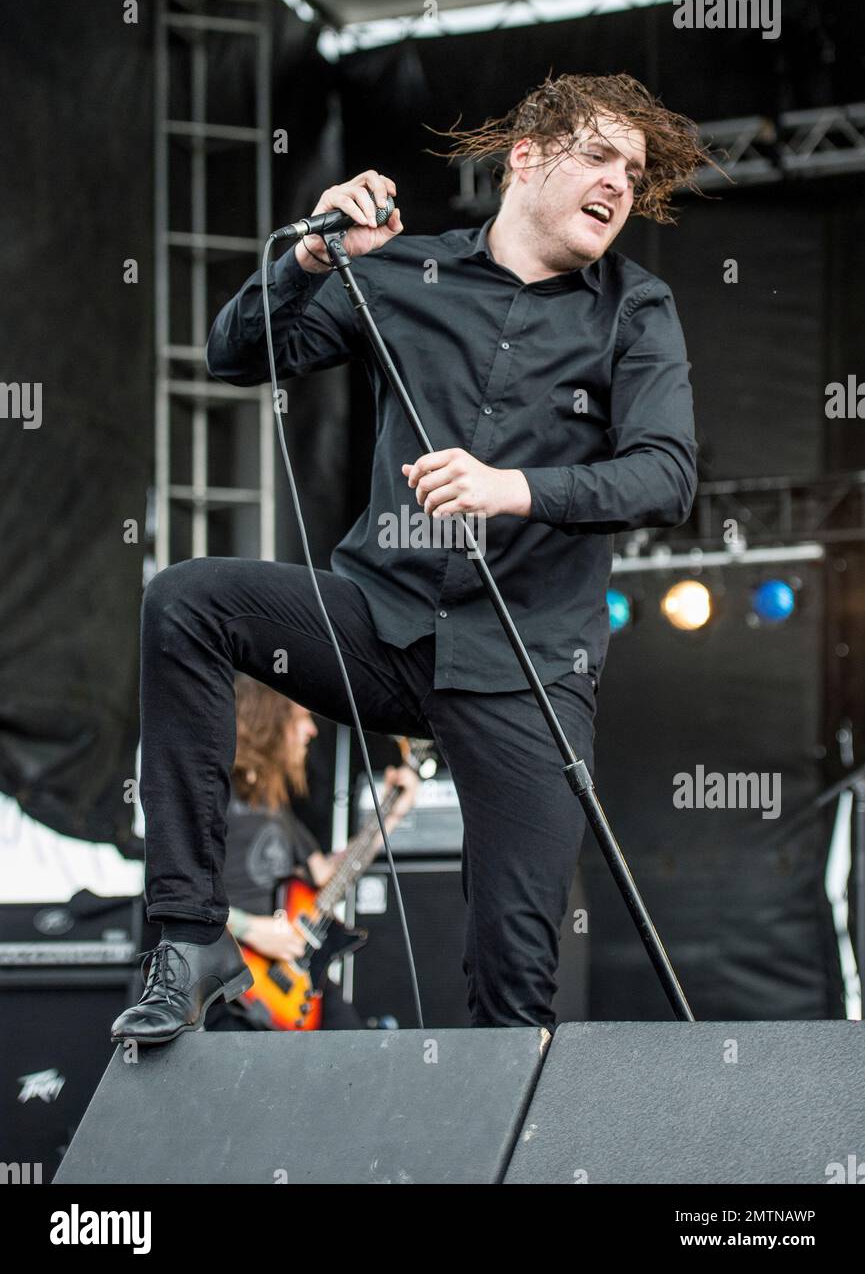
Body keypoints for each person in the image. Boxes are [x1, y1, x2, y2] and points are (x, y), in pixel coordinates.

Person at [112, 71, 707, 1044]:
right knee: (185, 600)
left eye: (633, 173)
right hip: (379, 624)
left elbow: (665, 477)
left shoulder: (634, 308)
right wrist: (308, 254)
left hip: (526, 674)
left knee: (514, 977)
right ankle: (187, 934)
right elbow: (235, 353)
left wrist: (508, 486)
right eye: (598, 155)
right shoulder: (404, 270)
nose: (619, 184)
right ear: (526, 157)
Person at [205, 674, 418, 1033]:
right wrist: (249, 929)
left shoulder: (277, 808)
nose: (312, 731)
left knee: (359, 1055)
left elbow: (327, 876)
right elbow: (170, 889)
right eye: (301, 717)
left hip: (291, 977)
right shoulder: (213, 795)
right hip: (232, 979)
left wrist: (391, 812)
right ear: (269, 720)